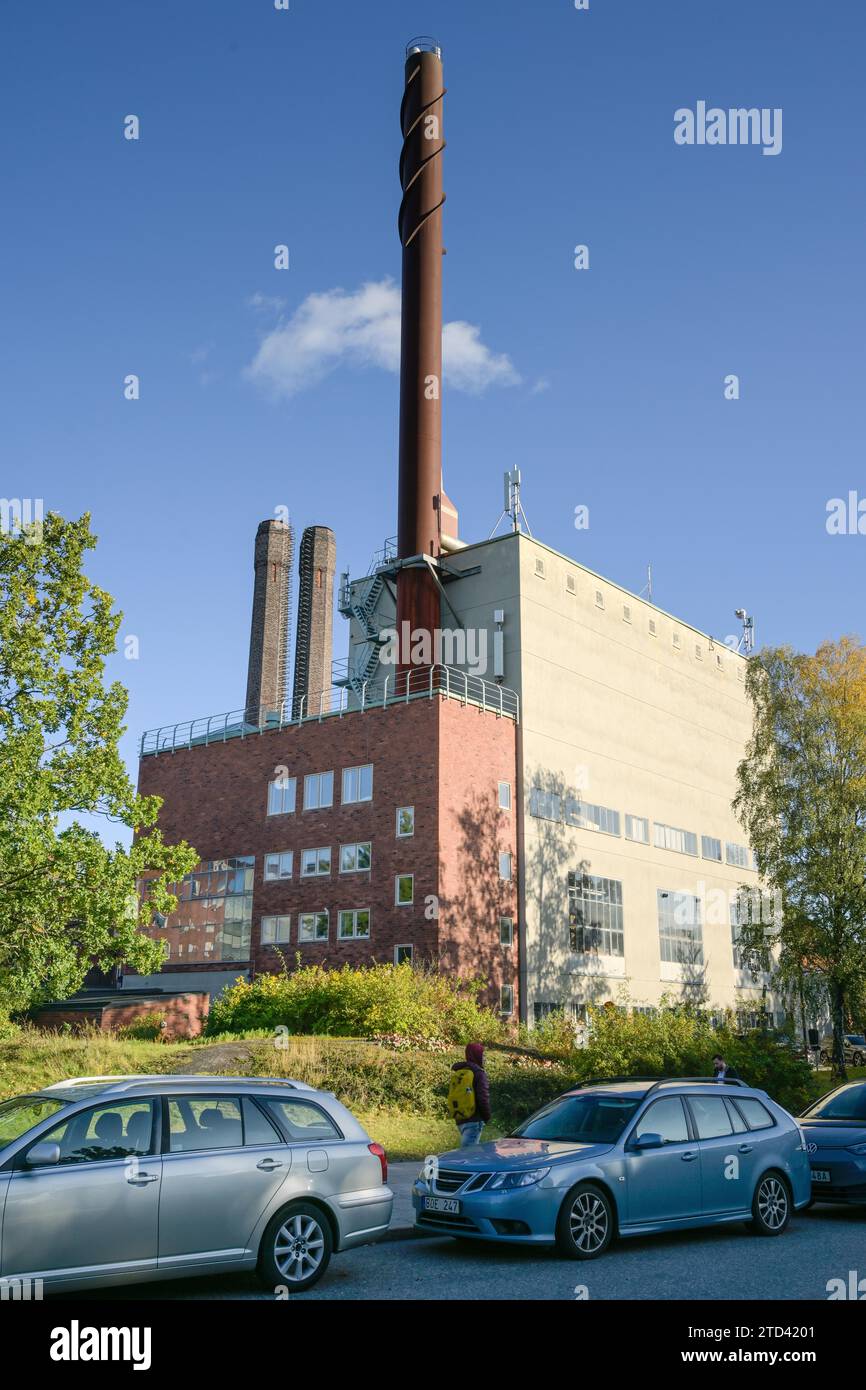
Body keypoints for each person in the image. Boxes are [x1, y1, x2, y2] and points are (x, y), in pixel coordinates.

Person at [447, 1042, 491, 1147]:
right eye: (482, 1055)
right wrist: (487, 1116)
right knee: (468, 1155)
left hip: (461, 1118)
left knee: (468, 1153)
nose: (484, 1058)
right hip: (475, 1119)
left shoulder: (461, 1071)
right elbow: (483, 1097)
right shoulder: (479, 1073)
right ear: (477, 1055)